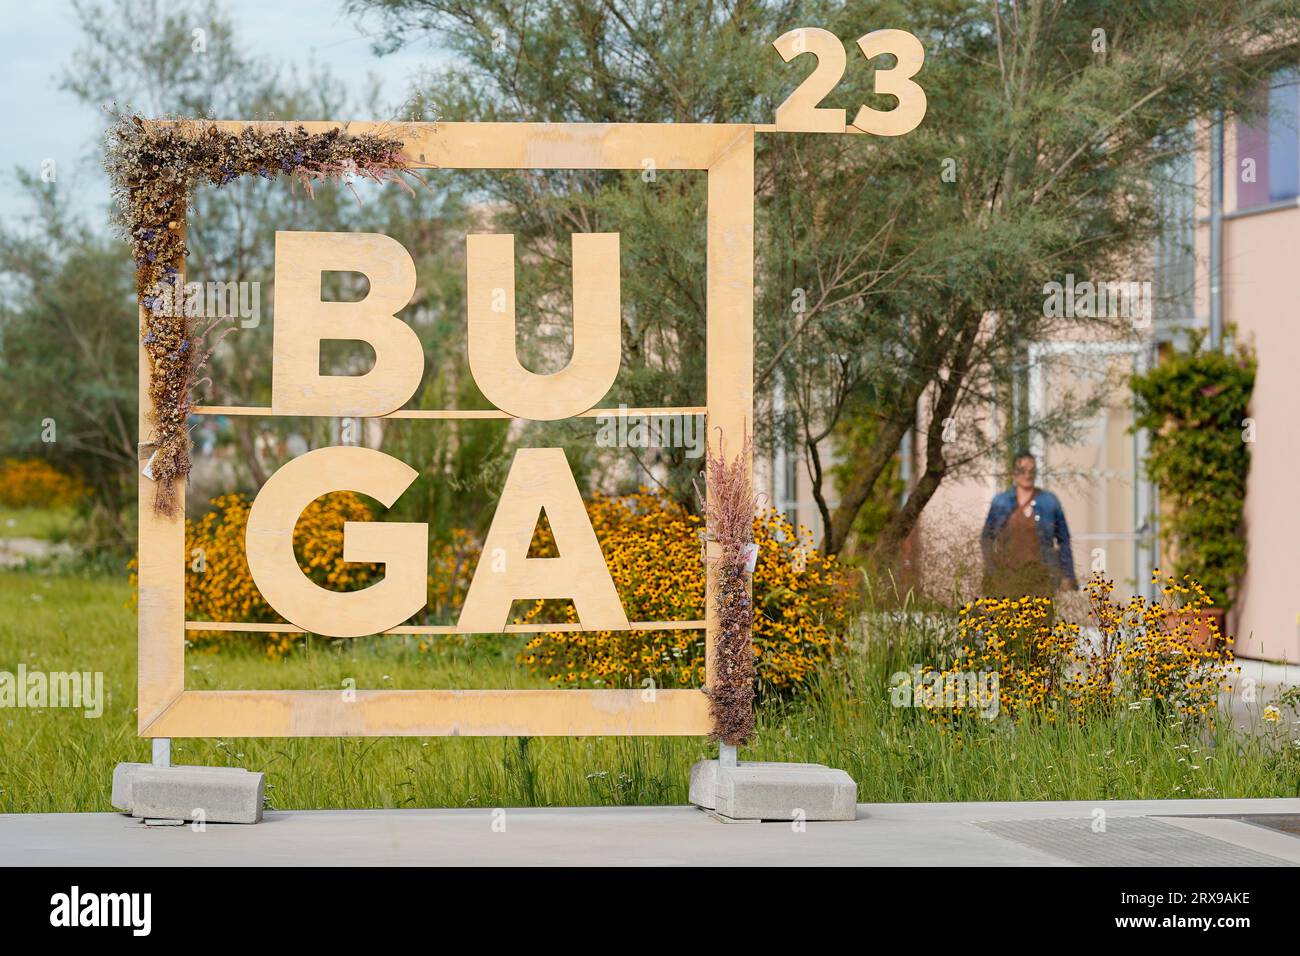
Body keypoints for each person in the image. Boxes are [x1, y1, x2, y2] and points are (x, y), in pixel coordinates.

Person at [980, 452, 1078, 599]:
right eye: (1022, 471)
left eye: (1032, 471)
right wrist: (992, 569)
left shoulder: (1049, 502)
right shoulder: (1001, 502)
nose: (1027, 475)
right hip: (1007, 578)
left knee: (1041, 620)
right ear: (1013, 473)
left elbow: (1064, 540)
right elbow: (986, 537)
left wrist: (1067, 575)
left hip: (1041, 578)